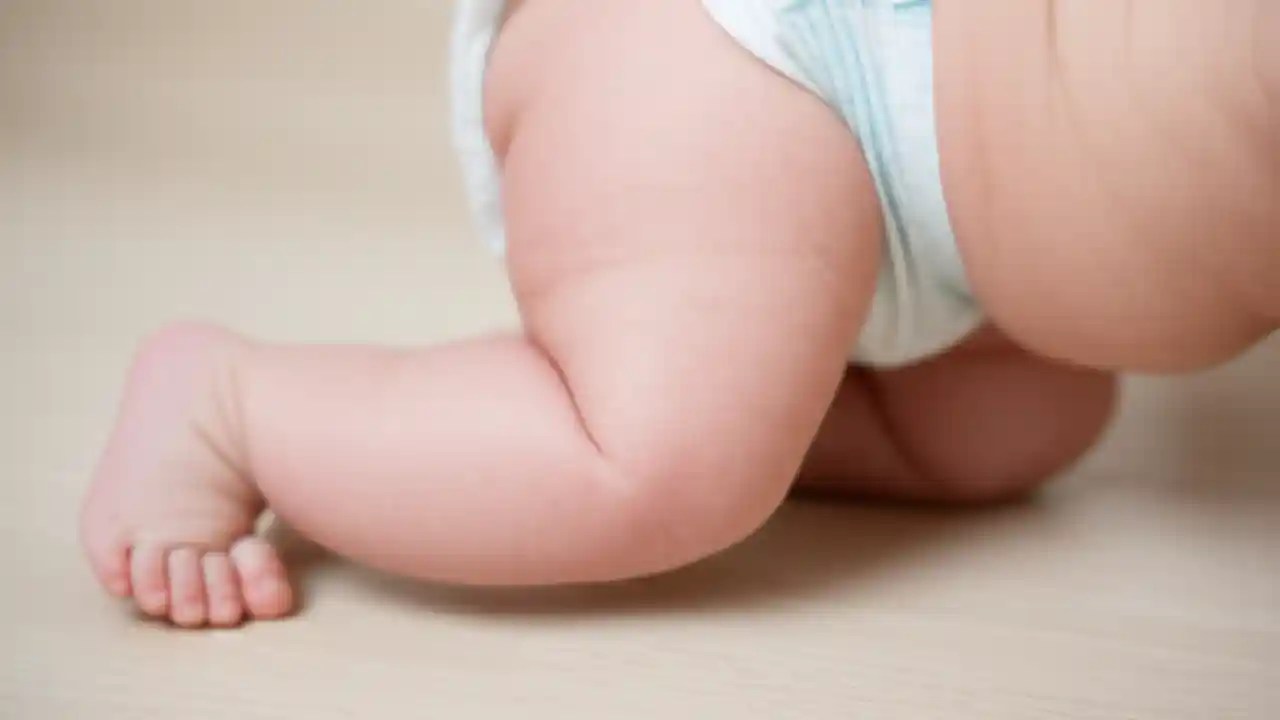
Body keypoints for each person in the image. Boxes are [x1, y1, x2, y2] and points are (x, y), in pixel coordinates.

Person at [80, 0, 1278, 628]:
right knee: (659, 465)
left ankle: (708, 368)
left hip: (951, 251)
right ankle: (237, 405)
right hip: (751, 55)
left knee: (1019, 426)